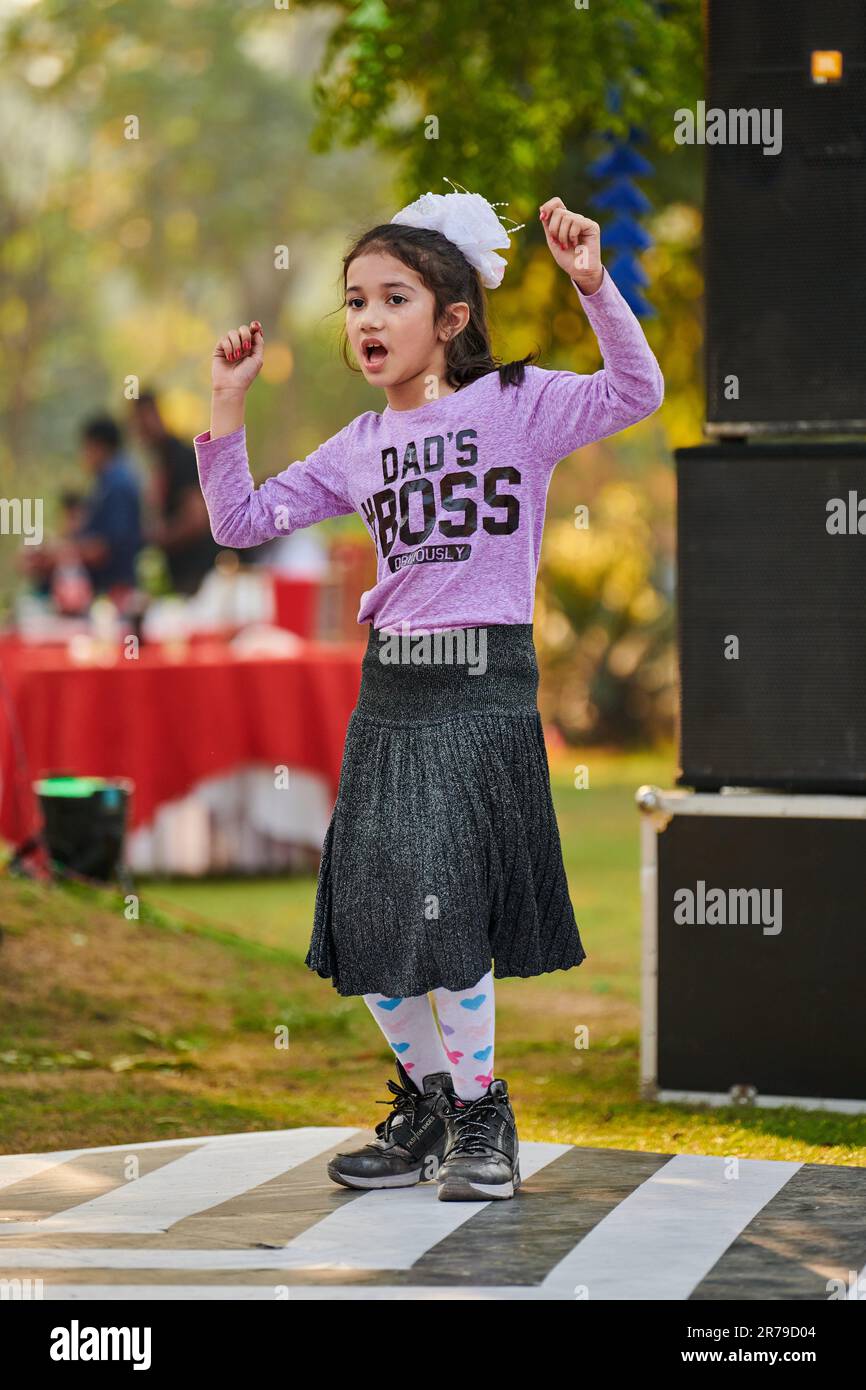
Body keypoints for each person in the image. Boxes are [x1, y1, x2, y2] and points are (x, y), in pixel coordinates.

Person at [192, 183, 664, 1202]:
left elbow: (636, 391)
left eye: (392, 298)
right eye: (354, 300)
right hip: (390, 693)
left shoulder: (520, 406)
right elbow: (240, 522)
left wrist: (592, 284)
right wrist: (227, 405)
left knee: (446, 917)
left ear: (450, 318)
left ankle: (483, 1115)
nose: (367, 319)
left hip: (481, 684)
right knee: (366, 930)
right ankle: (430, 1107)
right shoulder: (357, 447)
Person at [130, 390, 221, 595]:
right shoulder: (159, 462)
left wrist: (160, 538)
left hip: (199, 573)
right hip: (179, 575)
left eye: (142, 421)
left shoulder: (181, 457)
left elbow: (197, 519)